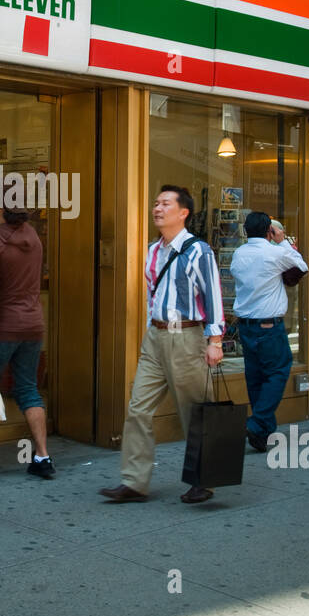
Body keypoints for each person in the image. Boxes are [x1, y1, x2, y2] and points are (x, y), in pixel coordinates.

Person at [100, 186, 225, 504]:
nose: (157, 208)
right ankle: (134, 481)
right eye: (156, 203)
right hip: (155, 338)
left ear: (183, 212)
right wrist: (148, 330)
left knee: (195, 412)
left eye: (165, 203)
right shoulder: (152, 251)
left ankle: (204, 479)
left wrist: (215, 341)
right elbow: (151, 296)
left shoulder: (199, 251)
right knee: (138, 408)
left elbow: (213, 297)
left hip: (186, 337)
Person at [0, 200, 53, 478]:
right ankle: (42, 457)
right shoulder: (34, 239)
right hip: (33, 326)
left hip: (2, 330)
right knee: (28, 389)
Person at [229, 211, 307, 452]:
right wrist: (282, 240)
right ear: (268, 231)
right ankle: (257, 422)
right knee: (278, 372)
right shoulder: (274, 251)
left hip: (246, 325)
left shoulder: (238, 253)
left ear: (245, 231)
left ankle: (262, 433)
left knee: (255, 377)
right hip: (268, 326)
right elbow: (301, 266)